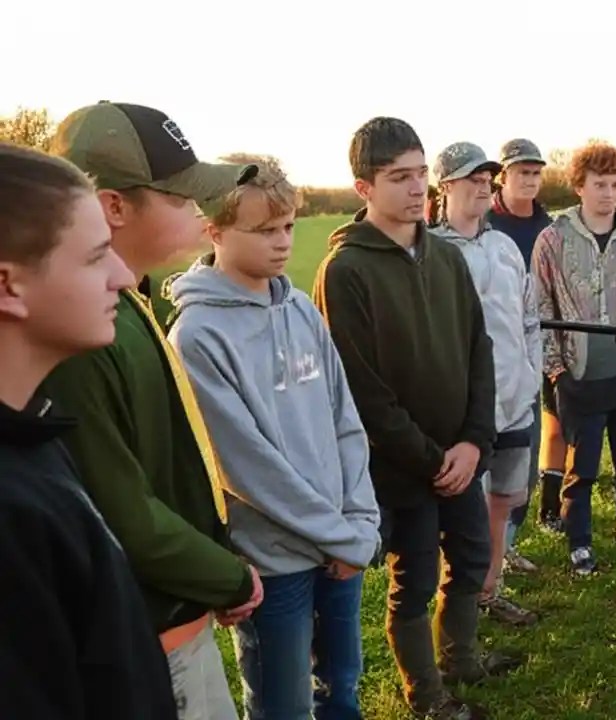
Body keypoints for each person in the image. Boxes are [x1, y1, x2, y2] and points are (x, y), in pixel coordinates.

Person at [38, 101, 265, 720]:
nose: (199, 206)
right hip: (150, 633)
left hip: (176, 613)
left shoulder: (132, 302)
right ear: (113, 206)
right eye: (179, 195)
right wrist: (227, 577)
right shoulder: (81, 335)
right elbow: (121, 510)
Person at [314, 116, 518, 720]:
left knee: (474, 558)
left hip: (462, 452)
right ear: (363, 188)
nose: (415, 188)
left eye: (420, 173)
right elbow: (362, 391)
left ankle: (461, 656)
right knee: (415, 581)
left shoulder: (445, 257)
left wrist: (475, 442)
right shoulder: (346, 271)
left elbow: (480, 350)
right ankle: (426, 694)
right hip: (403, 469)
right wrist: (433, 460)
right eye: (398, 177)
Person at [164, 156, 382, 719]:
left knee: (343, 687)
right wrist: (337, 535)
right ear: (213, 230)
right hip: (274, 562)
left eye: (286, 226)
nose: (282, 242)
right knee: (284, 705)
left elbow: (345, 420)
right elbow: (245, 466)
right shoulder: (197, 335)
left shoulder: (302, 309)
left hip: (340, 545)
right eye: (263, 231)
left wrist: (358, 520)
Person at [0, 143, 177, 719]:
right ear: (8, 287)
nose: (124, 276)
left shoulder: (36, 436)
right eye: (97, 255)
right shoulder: (12, 511)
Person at [532, 141, 616, 576]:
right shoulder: (552, 239)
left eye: (615, 184)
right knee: (582, 467)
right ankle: (580, 541)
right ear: (578, 187)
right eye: (599, 184)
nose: (608, 193)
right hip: (580, 375)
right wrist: (557, 371)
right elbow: (542, 310)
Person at [431, 141, 541, 627]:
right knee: (462, 519)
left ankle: (489, 592)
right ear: (445, 186)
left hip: (515, 401)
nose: (482, 187)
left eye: (486, 179)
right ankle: (455, 604)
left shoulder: (505, 246)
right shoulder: (430, 253)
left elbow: (530, 317)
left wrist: (531, 377)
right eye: (471, 179)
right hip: (463, 413)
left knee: (501, 506)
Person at [486, 138, 558, 570]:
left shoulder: (549, 225)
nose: (529, 180)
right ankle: (485, 555)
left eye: (535, 173)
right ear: (504, 176)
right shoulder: (487, 225)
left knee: (528, 453)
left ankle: (508, 540)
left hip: (539, 346)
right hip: (494, 358)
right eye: (521, 172)